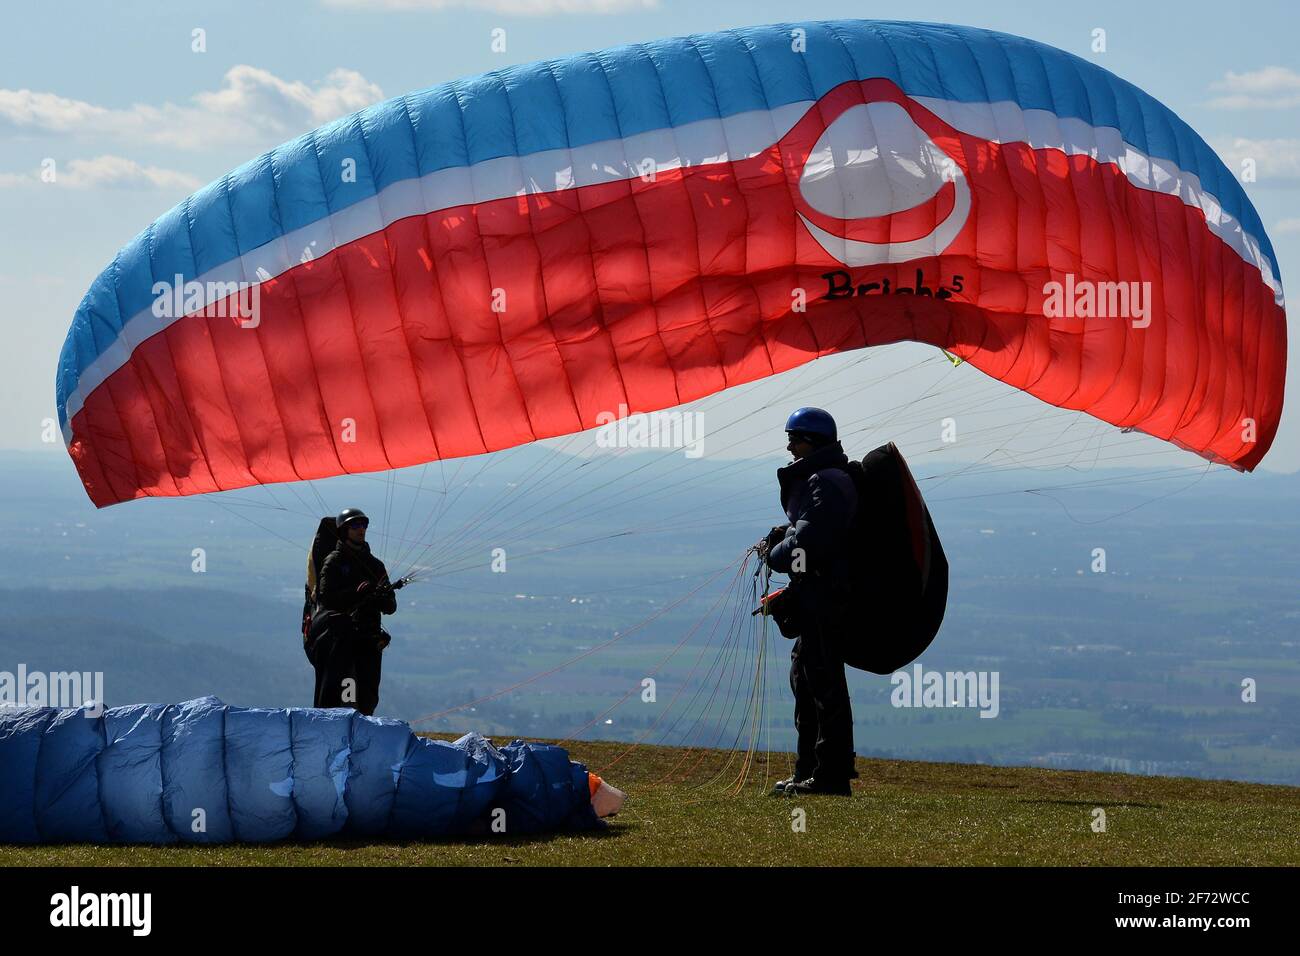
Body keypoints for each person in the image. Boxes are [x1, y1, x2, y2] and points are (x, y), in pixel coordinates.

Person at [759, 408, 859, 797]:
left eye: (795, 439)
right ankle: (808, 771)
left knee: (823, 683)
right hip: (818, 597)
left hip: (827, 599)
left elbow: (809, 544)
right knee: (806, 678)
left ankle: (831, 775)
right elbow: (807, 529)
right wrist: (785, 532)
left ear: (813, 442)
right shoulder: (825, 479)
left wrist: (775, 553)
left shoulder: (827, 481)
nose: (789, 446)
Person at [308, 508, 401, 716]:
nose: (361, 530)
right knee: (343, 696)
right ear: (343, 530)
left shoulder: (375, 566)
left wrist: (381, 597)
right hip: (342, 643)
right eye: (355, 526)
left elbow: (391, 608)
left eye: (364, 525)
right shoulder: (334, 562)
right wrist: (357, 592)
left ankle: (363, 736)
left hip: (369, 640)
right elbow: (326, 599)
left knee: (367, 698)